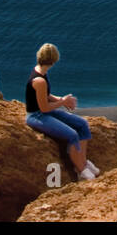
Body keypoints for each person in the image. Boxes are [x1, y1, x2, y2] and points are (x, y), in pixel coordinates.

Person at [25, 43, 101, 180]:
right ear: (54, 59)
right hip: (36, 116)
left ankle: (82, 161)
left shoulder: (41, 71)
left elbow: (46, 95)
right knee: (72, 135)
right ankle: (81, 170)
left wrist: (61, 98)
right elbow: (44, 108)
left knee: (82, 124)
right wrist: (63, 102)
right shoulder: (39, 80)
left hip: (44, 113)